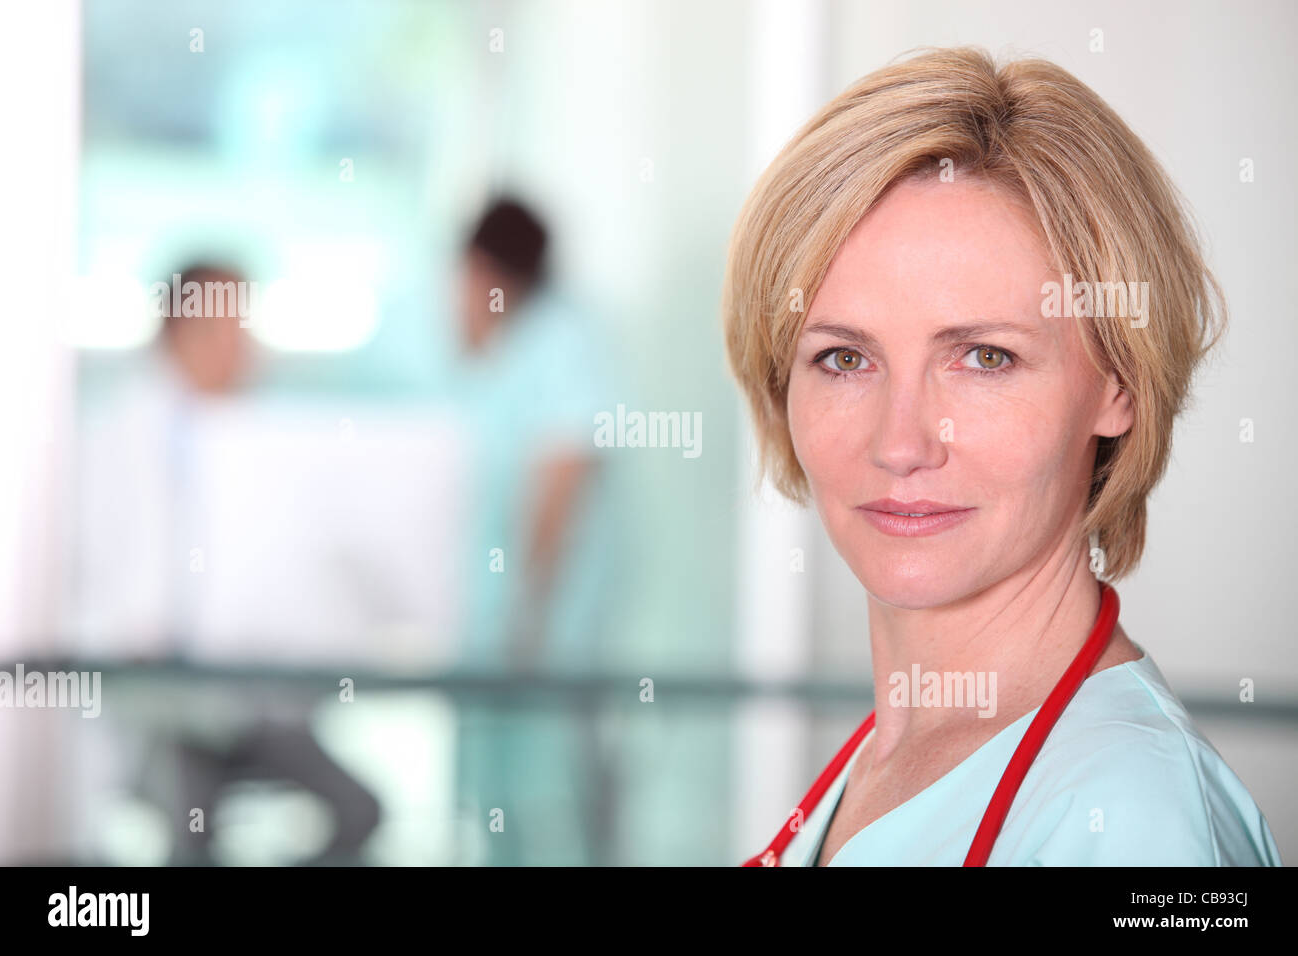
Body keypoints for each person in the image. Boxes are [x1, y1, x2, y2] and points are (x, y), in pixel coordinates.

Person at [721, 47, 1282, 866]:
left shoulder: (1132, 820)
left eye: (985, 357)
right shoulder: (895, 754)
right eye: (845, 358)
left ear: (1118, 384)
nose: (900, 444)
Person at [75, 260, 381, 864]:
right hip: (165, 702)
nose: (246, 351)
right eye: (229, 331)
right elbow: (111, 584)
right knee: (193, 828)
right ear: (181, 332)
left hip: (251, 696)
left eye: (246, 331)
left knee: (359, 812)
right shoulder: (124, 437)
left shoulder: (250, 439)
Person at [447, 196, 611, 865]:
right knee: (496, 811)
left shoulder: (562, 340)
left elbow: (562, 476)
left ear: (487, 272)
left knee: (545, 813)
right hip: (498, 636)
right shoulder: (509, 353)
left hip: (538, 637)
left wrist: (526, 609)